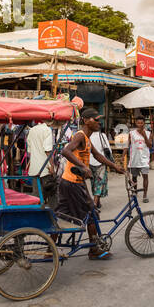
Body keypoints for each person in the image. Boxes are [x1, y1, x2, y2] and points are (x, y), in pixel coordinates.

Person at [57, 109, 126, 260]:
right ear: (86, 120)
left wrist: (115, 167)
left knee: (60, 216)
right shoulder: (80, 136)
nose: (99, 123)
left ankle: (51, 247)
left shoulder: (87, 139)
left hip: (69, 182)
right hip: (72, 182)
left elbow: (98, 155)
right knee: (92, 214)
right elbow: (65, 151)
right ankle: (94, 250)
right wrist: (83, 167)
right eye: (96, 120)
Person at [26, 119, 58, 199]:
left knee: (37, 195)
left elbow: (29, 150)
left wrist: (30, 162)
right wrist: (52, 166)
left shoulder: (32, 130)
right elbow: (47, 150)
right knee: (50, 194)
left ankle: (37, 209)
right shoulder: (47, 130)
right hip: (45, 168)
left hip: (34, 167)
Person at [126, 116, 152, 203]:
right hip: (134, 159)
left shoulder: (148, 133)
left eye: (141, 123)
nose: (140, 124)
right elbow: (127, 145)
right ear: (136, 123)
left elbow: (150, 146)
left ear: (144, 123)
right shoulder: (131, 133)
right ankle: (135, 193)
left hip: (144, 159)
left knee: (145, 176)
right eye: (138, 123)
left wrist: (144, 135)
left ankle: (145, 195)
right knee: (134, 177)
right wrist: (123, 156)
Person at [88, 126, 113, 210]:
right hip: (101, 162)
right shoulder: (102, 135)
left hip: (89, 162)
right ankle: (95, 205)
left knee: (94, 183)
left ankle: (97, 202)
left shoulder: (87, 135)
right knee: (99, 183)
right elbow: (108, 149)